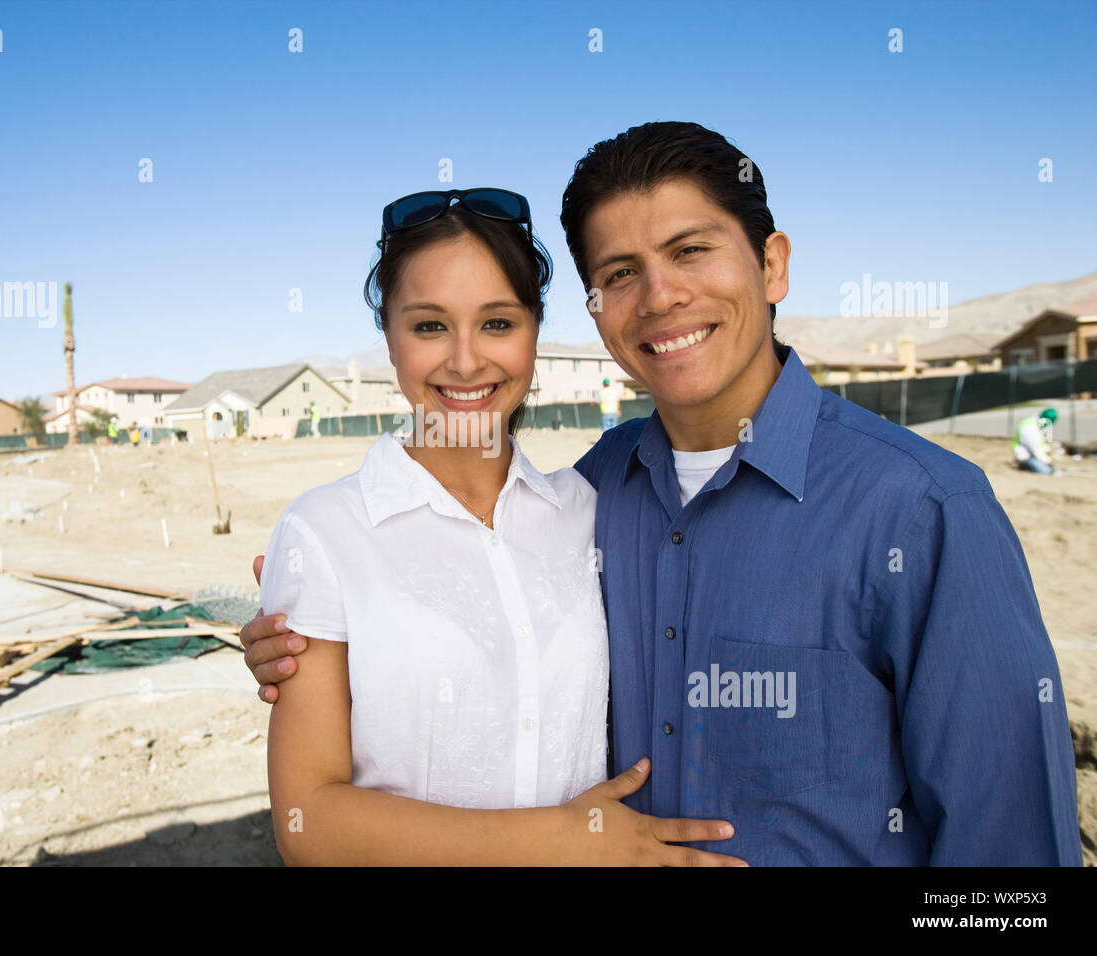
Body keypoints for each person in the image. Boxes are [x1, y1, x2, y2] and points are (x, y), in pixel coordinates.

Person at [243, 123, 1081, 866]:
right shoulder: (599, 490)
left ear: (773, 263)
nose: (661, 296)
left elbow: (1008, 855)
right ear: (597, 311)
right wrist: (305, 625)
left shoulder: (924, 510)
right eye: (620, 272)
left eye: (691, 251)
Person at [257, 186, 744, 866]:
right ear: (389, 340)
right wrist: (558, 842)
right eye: (429, 326)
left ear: (535, 333)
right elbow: (308, 827)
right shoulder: (323, 531)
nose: (465, 360)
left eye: (497, 323)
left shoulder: (589, 508)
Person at [1013, 407, 1058, 474]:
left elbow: (1039, 444)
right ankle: (1022, 465)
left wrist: (1046, 450)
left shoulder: (1034, 423)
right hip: (1025, 456)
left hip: (1030, 453)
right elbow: (1035, 449)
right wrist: (1048, 461)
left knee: (1048, 467)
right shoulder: (1030, 428)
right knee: (1046, 471)